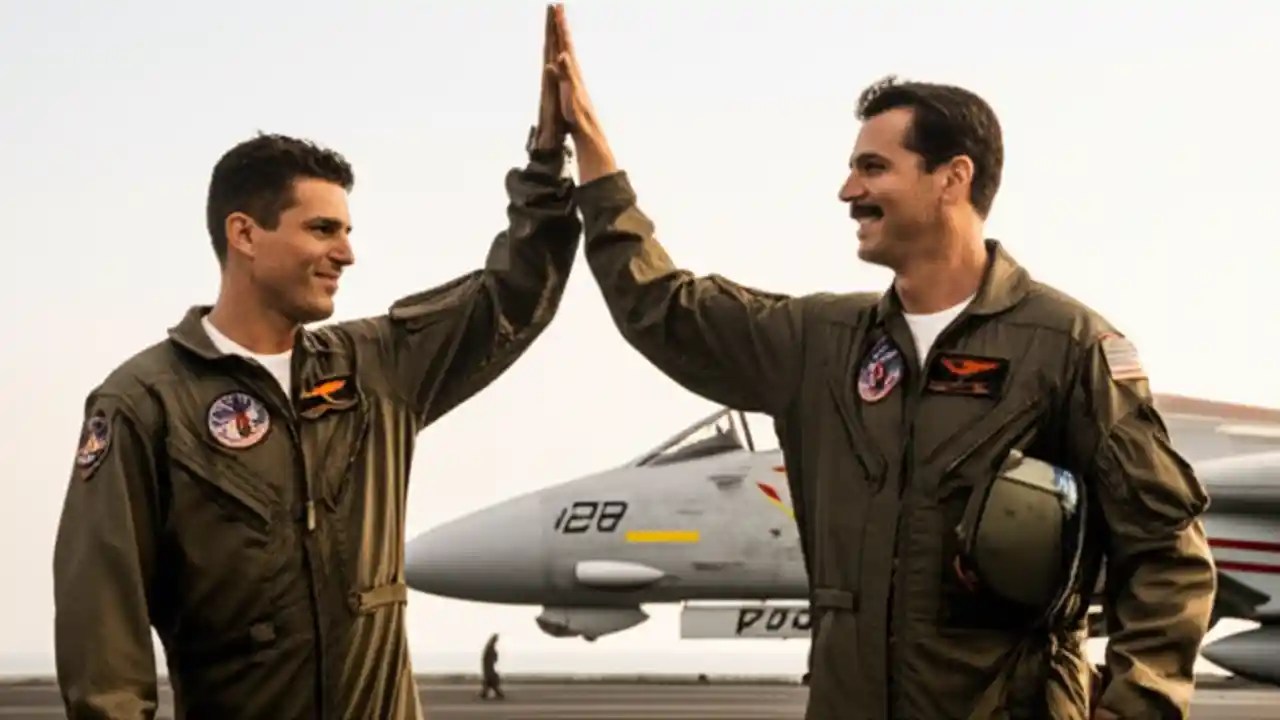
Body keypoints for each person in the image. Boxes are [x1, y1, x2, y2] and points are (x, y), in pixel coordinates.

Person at [543, 7, 1216, 720]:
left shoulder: (1067, 348)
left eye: (873, 167)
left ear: (952, 178)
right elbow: (662, 309)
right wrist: (590, 148)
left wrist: (1129, 709)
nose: (847, 191)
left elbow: (1168, 556)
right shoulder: (819, 341)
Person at [51, 16, 579, 718]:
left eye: (348, 231)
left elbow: (511, 299)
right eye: (322, 229)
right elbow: (102, 636)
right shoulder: (144, 404)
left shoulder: (378, 367)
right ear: (245, 234)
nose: (347, 253)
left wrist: (547, 160)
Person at [478, 633, 504, 700]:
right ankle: (487, 693)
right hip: (489, 668)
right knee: (492, 682)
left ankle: (485, 693)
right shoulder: (490, 649)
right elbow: (492, 659)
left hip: (489, 668)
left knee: (490, 682)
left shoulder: (489, 648)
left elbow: (492, 659)